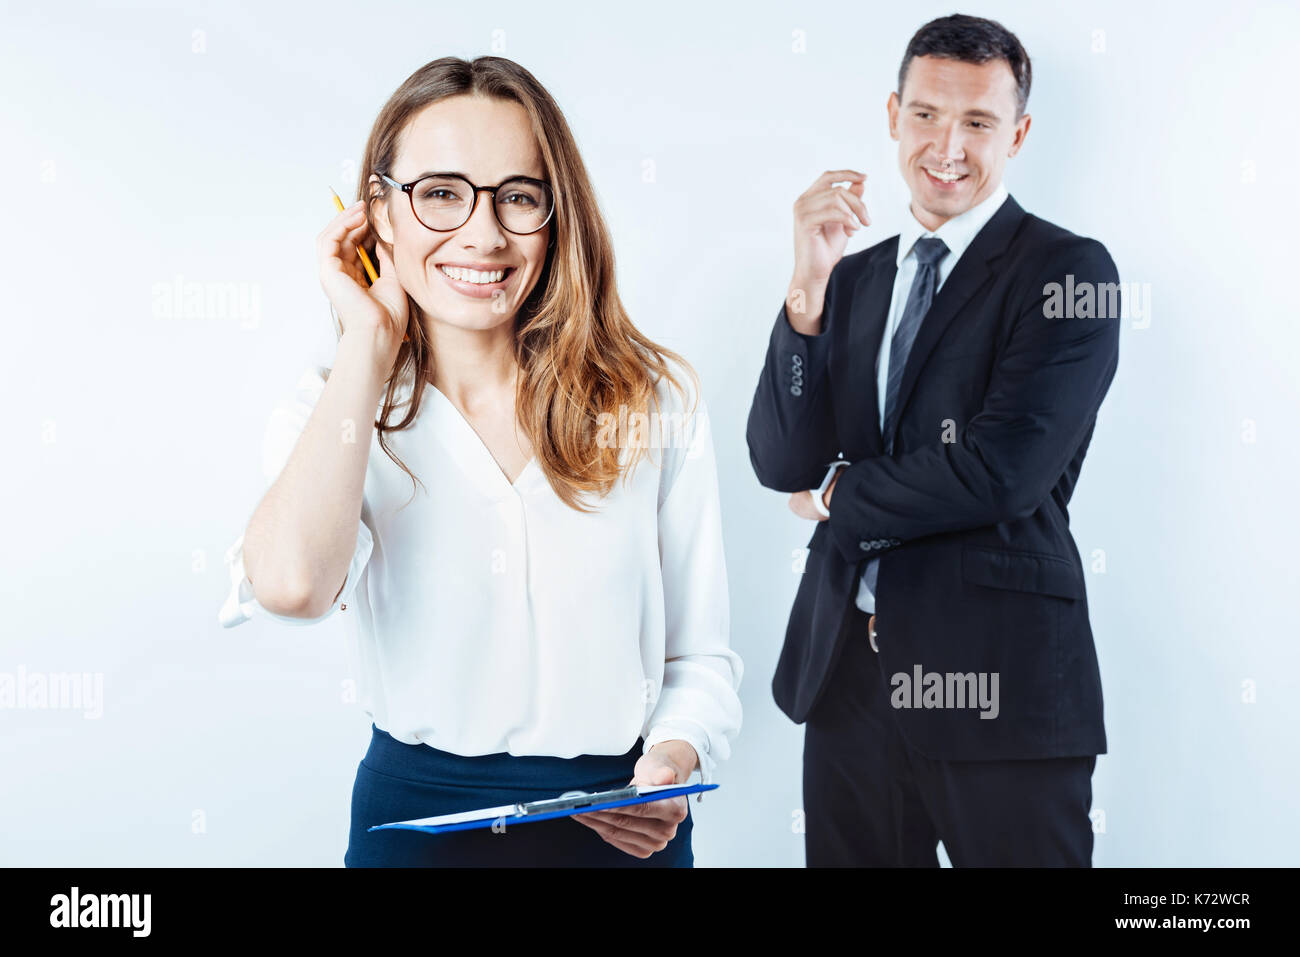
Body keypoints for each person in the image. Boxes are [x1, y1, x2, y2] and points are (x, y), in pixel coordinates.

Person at [218, 56, 742, 867]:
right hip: (416, 826)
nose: (484, 233)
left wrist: (674, 760)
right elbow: (291, 586)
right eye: (440, 194)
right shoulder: (336, 406)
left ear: (555, 214)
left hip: (618, 825)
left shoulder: (654, 398)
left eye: (518, 196)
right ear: (378, 215)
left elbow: (698, 653)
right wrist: (368, 342)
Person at [746, 14, 1120, 866]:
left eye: (979, 123)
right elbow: (780, 461)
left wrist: (839, 495)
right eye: (926, 115)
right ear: (892, 114)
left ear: (1018, 133)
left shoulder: (1070, 274)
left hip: (1001, 687)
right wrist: (807, 294)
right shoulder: (859, 277)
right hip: (848, 681)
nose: (947, 145)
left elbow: (1002, 472)